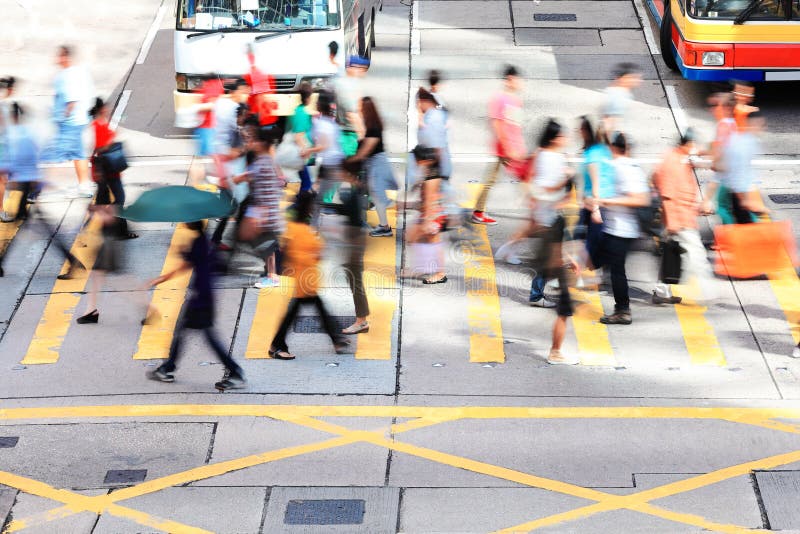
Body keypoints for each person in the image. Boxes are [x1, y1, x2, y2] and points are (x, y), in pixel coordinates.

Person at [147, 220, 246, 391]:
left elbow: (188, 263)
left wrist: (166, 271)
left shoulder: (199, 243)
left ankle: (235, 372)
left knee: (207, 337)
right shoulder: (204, 241)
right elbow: (201, 262)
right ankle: (167, 367)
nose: (184, 223)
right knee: (183, 332)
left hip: (201, 299)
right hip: (204, 297)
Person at [269, 190, 351, 359]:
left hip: (308, 279)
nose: (315, 208)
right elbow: (297, 253)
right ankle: (277, 345)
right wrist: (317, 249)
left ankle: (337, 339)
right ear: (307, 206)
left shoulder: (301, 226)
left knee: (317, 309)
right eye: (313, 205)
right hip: (303, 280)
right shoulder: (297, 229)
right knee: (295, 313)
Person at [651, 129, 716, 305]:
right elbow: (667, 196)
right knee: (696, 254)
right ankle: (706, 291)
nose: (695, 149)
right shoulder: (672, 163)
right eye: (693, 145)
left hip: (683, 215)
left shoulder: (679, 156)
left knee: (669, 256)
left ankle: (661, 291)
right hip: (679, 218)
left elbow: (696, 156)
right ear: (686, 144)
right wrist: (672, 222)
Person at [596, 133, 651, 325]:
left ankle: (623, 311)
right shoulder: (630, 166)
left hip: (620, 230)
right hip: (616, 228)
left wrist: (607, 201)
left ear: (613, 148)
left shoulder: (623, 167)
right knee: (611, 267)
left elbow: (640, 199)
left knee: (616, 271)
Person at [527, 119, 574, 309]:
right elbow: (544, 189)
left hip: (552, 215)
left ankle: (546, 289)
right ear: (554, 139)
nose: (565, 138)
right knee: (550, 257)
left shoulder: (549, 155)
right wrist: (565, 180)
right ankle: (537, 295)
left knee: (553, 256)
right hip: (549, 217)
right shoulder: (549, 158)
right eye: (562, 136)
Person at [232, 123, 285, 288]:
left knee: (264, 244)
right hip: (267, 211)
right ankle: (271, 274)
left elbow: (252, 176)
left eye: (254, 140)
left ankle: (272, 276)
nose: (251, 143)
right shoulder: (266, 160)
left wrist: (259, 216)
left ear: (262, 144)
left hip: (264, 213)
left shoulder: (263, 162)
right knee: (266, 245)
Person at [45, 45, 95, 198]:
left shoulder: (65, 76)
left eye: (59, 56)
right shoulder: (81, 71)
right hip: (81, 120)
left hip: (69, 123)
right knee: (78, 154)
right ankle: (84, 185)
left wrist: (61, 119)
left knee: (51, 155)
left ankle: (35, 188)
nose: (56, 59)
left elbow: (71, 101)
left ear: (65, 57)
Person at [703, 112, 766, 224]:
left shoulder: (750, 142)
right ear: (749, 125)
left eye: (762, 125)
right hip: (734, 189)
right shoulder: (742, 144)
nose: (761, 129)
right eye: (758, 125)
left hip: (735, 188)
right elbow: (734, 174)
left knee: (727, 211)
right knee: (733, 215)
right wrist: (745, 200)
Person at [349, 96, 397, 237]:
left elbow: (364, 151)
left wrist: (349, 161)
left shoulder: (373, 128)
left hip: (377, 163)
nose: (358, 110)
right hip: (375, 163)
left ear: (366, 110)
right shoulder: (371, 124)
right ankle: (384, 226)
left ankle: (385, 227)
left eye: (360, 108)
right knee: (377, 195)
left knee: (378, 196)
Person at [90, 97, 137, 239]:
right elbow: (100, 148)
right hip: (108, 171)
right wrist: (111, 140)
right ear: (101, 110)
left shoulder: (99, 124)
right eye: (105, 108)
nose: (108, 110)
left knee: (114, 200)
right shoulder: (98, 126)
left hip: (108, 171)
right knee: (119, 200)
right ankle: (118, 231)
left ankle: (111, 228)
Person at [338, 159, 373, 333]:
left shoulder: (352, 194)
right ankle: (362, 318)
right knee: (353, 279)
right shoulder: (358, 189)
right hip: (355, 240)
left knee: (355, 281)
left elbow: (353, 220)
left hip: (355, 241)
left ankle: (361, 321)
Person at [407, 145, 447, 285]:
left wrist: (427, 221)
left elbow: (430, 200)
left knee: (431, 243)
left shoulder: (431, 177)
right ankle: (419, 269)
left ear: (426, 160)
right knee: (417, 240)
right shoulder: (429, 170)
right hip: (430, 214)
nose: (415, 162)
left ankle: (440, 274)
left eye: (417, 159)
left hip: (432, 216)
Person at [577, 116, 613, 270]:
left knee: (587, 241)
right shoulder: (605, 151)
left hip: (595, 202)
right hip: (596, 202)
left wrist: (596, 208)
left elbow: (596, 181)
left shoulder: (594, 153)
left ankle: (577, 272)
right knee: (584, 239)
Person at [304, 89, 343, 221]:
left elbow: (325, 145)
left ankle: (307, 220)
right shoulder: (330, 121)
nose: (315, 103)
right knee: (316, 197)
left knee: (314, 197)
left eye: (317, 101)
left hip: (330, 164)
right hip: (332, 163)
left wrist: (309, 151)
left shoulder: (321, 123)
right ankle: (312, 225)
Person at [335, 55, 369, 154]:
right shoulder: (347, 87)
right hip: (350, 137)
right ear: (351, 68)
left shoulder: (350, 83)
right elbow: (353, 115)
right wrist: (362, 137)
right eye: (360, 68)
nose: (363, 71)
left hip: (347, 135)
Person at [600, 63, 641, 136]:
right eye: (633, 77)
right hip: (616, 142)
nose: (639, 80)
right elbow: (609, 123)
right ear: (623, 78)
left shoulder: (621, 93)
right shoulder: (618, 96)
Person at [290, 81, 315, 192]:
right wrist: (305, 152)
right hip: (301, 154)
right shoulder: (302, 114)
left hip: (300, 153)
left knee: (306, 184)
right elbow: (298, 136)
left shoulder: (299, 110)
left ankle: (302, 204)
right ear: (308, 97)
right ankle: (300, 205)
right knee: (306, 185)